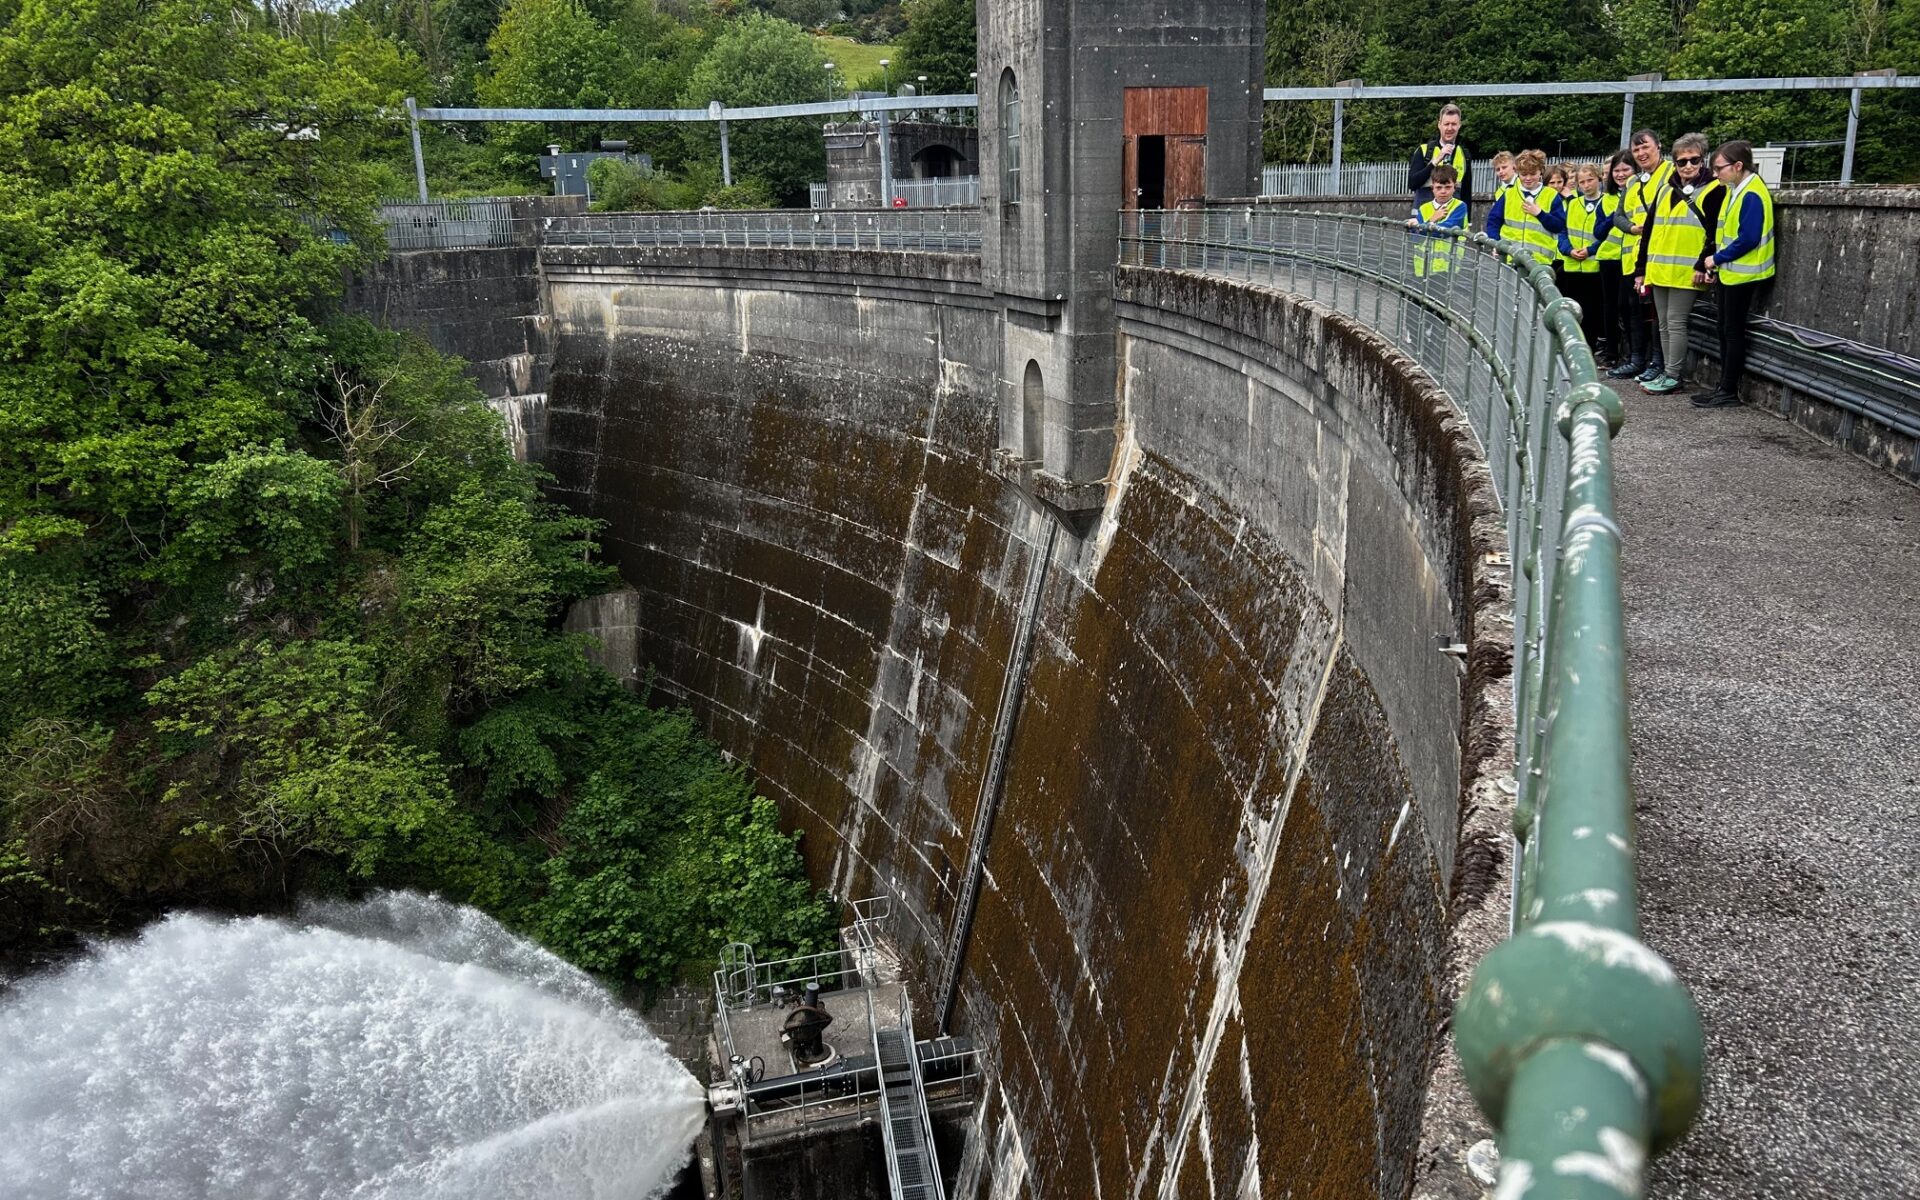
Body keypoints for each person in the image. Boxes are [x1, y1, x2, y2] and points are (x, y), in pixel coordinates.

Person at [1629, 133, 1723, 395]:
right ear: (1675, 162)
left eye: (1694, 160)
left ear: (1703, 160)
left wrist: (1702, 265)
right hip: (1659, 269)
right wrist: (1641, 270)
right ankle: (1667, 371)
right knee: (1663, 323)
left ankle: (1673, 375)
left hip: (1686, 271)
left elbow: (1716, 233)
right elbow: (1650, 232)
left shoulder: (1714, 190)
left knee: (1676, 322)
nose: (1688, 166)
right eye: (1682, 161)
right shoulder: (1665, 189)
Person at [1696, 139, 1777, 408]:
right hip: (1731, 272)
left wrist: (1716, 259)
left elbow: (1749, 238)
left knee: (1732, 332)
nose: (1716, 173)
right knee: (1725, 330)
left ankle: (1728, 390)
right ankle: (1723, 387)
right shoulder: (1737, 190)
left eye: (1719, 168)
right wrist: (1717, 265)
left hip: (1744, 274)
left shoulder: (1751, 193)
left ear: (1738, 165)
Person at [1607, 130, 1673, 382]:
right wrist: (1632, 228)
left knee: (1655, 314)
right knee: (1632, 311)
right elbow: (1618, 216)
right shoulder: (1634, 182)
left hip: (1659, 256)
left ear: (1658, 146)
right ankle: (1636, 360)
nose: (1641, 153)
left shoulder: (1671, 174)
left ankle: (1657, 361)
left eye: (1645, 147)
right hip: (1633, 259)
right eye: (1636, 150)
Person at [1561, 163, 1614, 356]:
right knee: (1574, 310)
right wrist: (1568, 250)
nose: (1586, 185)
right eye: (1581, 182)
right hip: (1573, 266)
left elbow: (1610, 235)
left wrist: (1590, 250)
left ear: (1599, 179)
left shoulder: (1608, 202)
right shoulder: (1573, 203)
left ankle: (1589, 348)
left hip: (1595, 266)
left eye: (1590, 180)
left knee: (1593, 311)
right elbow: (1563, 232)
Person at [1484, 149, 1566, 269]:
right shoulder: (1508, 194)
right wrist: (1496, 243)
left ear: (1541, 172)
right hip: (1510, 259)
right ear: (1518, 173)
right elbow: (1493, 222)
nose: (1528, 178)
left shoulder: (1551, 195)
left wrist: (1540, 213)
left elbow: (1558, 226)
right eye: (1524, 174)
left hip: (1539, 262)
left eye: (1532, 174)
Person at [1599, 151, 1636, 362]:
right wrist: (1613, 217)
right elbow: (1598, 231)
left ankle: (1632, 354)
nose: (1620, 174)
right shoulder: (1607, 198)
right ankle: (1612, 352)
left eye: (1625, 170)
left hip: (1630, 259)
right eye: (1616, 170)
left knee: (1628, 307)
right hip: (1609, 258)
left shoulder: (1638, 193)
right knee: (1611, 307)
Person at [1409, 103, 1473, 215]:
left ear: (1459, 125)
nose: (1450, 128)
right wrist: (1434, 162)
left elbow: (1466, 192)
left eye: (1454, 124)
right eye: (1446, 124)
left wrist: (1467, 220)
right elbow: (1412, 184)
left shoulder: (1464, 154)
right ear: (1439, 125)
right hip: (1423, 219)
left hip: (1452, 219)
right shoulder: (1424, 150)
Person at [1407, 163, 1469, 278]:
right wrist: (1433, 219)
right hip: (1423, 268)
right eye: (1439, 187)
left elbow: (1445, 231)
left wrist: (1424, 225)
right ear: (1432, 188)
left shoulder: (1460, 207)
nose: (1443, 191)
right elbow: (1417, 237)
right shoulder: (1423, 208)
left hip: (1447, 268)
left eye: (1448, 187)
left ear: (1454, 187)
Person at [1482, 151, 1517, 234]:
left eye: (1504, 167)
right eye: (1498, 169)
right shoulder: (1499, 191)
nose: (1501, 171)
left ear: (1514, 167)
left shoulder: (1523, 185)